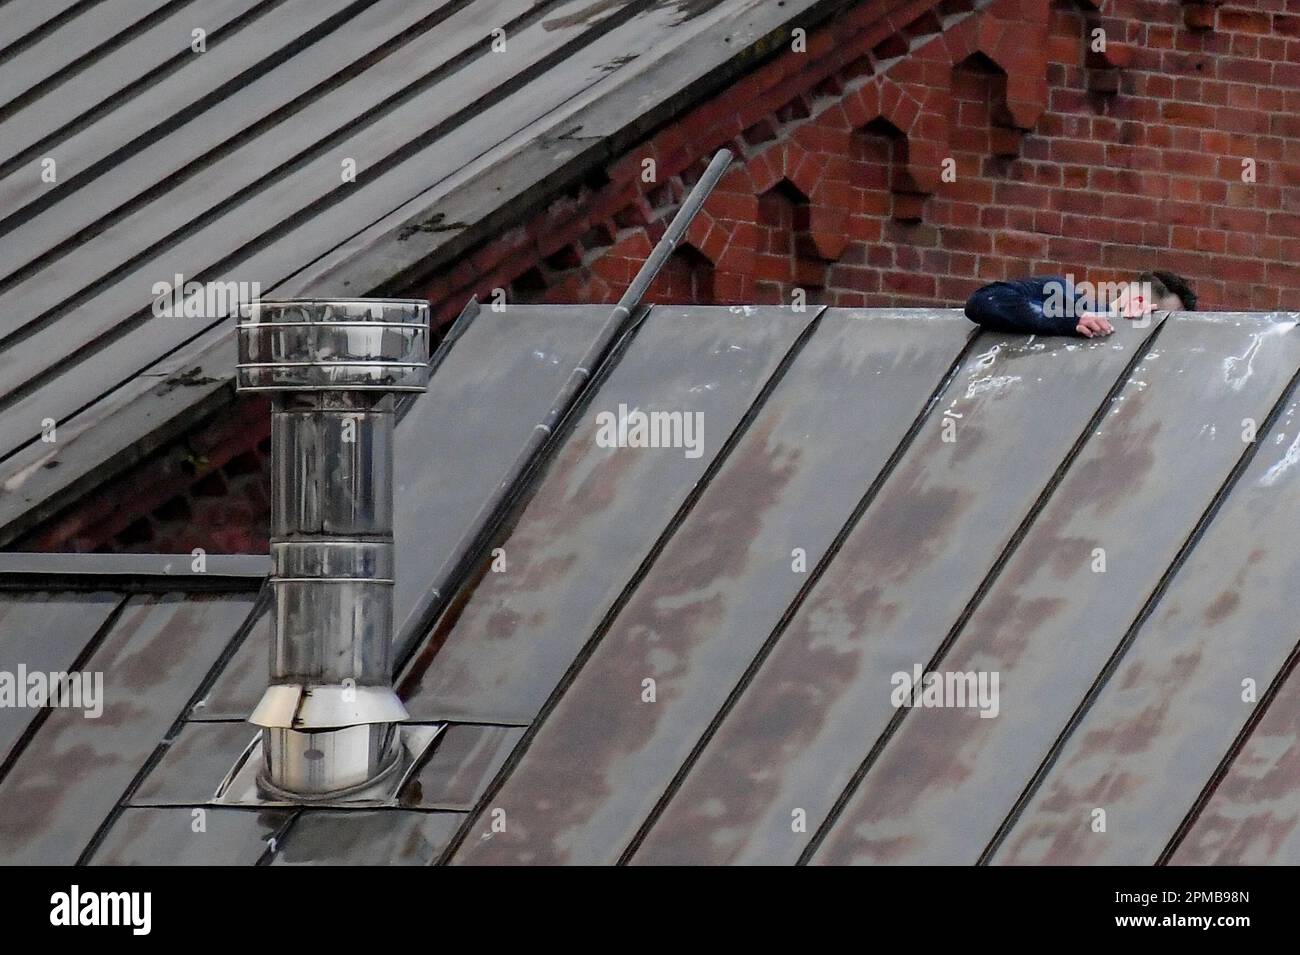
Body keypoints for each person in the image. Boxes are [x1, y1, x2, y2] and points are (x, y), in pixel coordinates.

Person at [964, 271, 1197, 338]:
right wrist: (1072, 322)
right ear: (1138, 302)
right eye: (1162, 320)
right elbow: (984, 301)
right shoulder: (1063, 294)